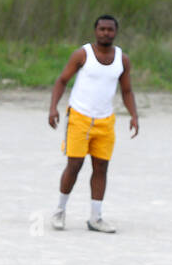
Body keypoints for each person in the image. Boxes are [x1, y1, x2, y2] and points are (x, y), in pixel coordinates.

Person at [47, 15, 139, 233]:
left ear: (116, 32)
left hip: (105, 120)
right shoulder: (82, 54)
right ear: (95, 30)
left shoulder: (122, 59)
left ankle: (96, 217)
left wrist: (134, 115)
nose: (105, 33)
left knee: (101, 167)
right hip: (79, 117)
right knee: (75, 165)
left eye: (110, 29)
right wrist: (53, 108)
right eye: (102, 29)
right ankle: (60, 210)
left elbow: (126, 90)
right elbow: (62, 80)